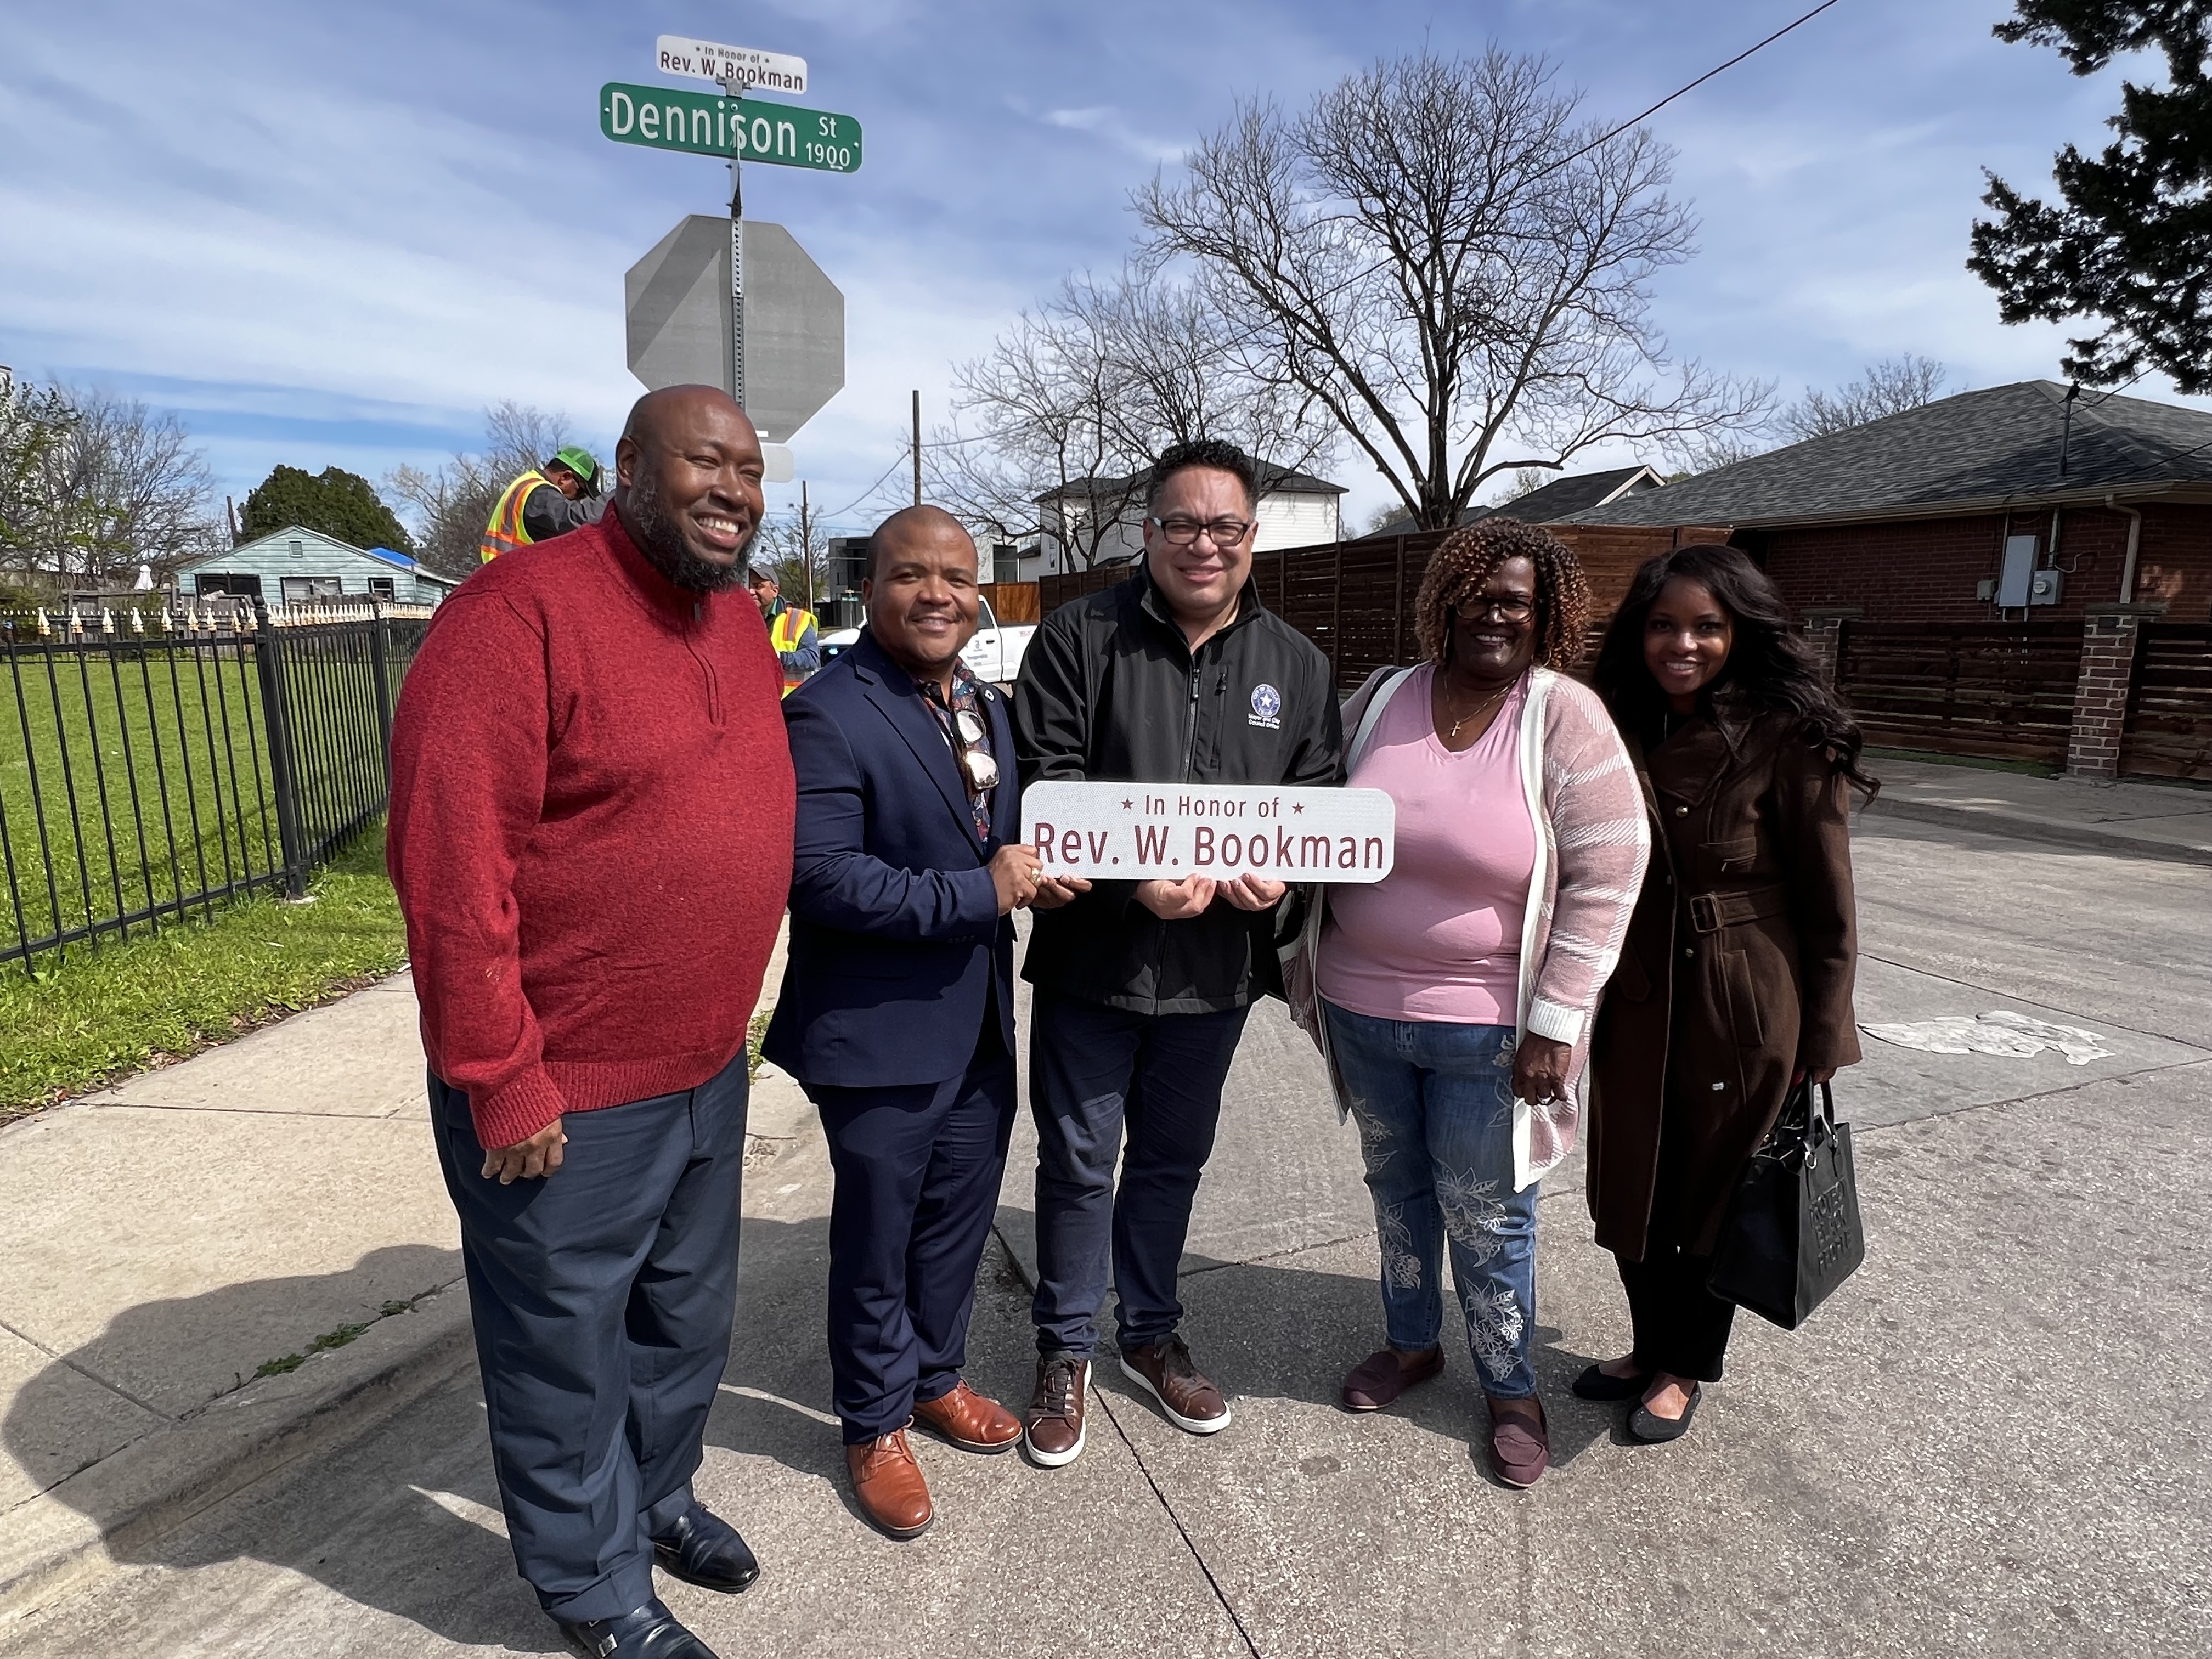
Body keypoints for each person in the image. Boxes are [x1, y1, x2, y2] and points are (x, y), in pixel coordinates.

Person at [390, 387, 791, 1659]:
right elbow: (451, 868)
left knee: (684, 1325)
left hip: (702, 1070)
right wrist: (499, 1075)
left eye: (751, 468)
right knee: (563, 1359)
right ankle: (595, 1589)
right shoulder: (512, 618)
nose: (735, 488)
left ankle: (659, 1501)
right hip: (561, 1091)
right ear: (628, 467)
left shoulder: (736, 621)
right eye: (704, 462)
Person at [1293, 520, 1647, 1487]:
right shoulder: (1379, 697)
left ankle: (1509, 1384)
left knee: (1490, 1213)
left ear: (1546, 615)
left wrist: (1557, 1019)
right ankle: (1413, 1342)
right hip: (1360, 1008)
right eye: (1477, 593)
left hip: (1491, 1024)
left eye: (1516, 599)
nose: (1494, 611)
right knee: (1395, 1190)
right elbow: (1307, 815)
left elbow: (1611, 870)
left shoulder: (1562, 715)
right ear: (1442, 600)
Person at [1011, 437, 1342, 1467]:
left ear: (1252, 537)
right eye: (1183, 524)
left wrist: (1282, 871)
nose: (1205, 544)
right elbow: (1043, 780)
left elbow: (1316, 797)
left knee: (1168, 1160)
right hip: (1092, 962)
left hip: (1213, 973)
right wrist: (1127, 876)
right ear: (1146, 531)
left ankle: (1147, 1330)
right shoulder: (1076, 636)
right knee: (1073, 1161)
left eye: (1226, 526)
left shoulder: (1294, 662)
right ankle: (1063, 1348)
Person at [761, 505, 1041, 1539]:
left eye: (957, 577)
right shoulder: (828, 710)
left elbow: (995, 838)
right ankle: (872, 1420)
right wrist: (983, 889)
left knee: (958, 1219)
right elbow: (823, 876)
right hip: (876, 1031)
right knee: (879, 1233)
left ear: (979, 592)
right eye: (911, 575)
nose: (938, 593)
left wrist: (1030, 877)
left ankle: (935, 1373)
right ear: (867, 589)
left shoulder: (979, 701)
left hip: (975, 1022)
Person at [1582, 543, 1874, 1443]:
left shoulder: (1788, 735)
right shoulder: (1610, 724)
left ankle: (1683, 1366)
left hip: (1740, 1000)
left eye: (1707, 625)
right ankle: (1643, 1343)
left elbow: (1830, 906)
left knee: (1711, 1194)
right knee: (1631, 1182)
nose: (1684, 642)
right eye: (1664, 623)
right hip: (1632, 992)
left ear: (1739, 632)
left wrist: (1824, 1028)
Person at [479, 445, 605, 562]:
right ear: (565, 477)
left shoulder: (527, 484)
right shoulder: (538, 494)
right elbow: (574, 519)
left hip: (502, 575)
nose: (577, 499)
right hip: (508, 578)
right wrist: (617, 498)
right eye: (580, 492)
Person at [748, 562, 821, 694]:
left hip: (789, 704)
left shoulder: (798, 619)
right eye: (748, 586)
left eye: (758, 586)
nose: (751, 591)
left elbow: (811, 659)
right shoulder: (740, 620)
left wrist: (777, 657)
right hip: (754, 703)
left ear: (775, 591)